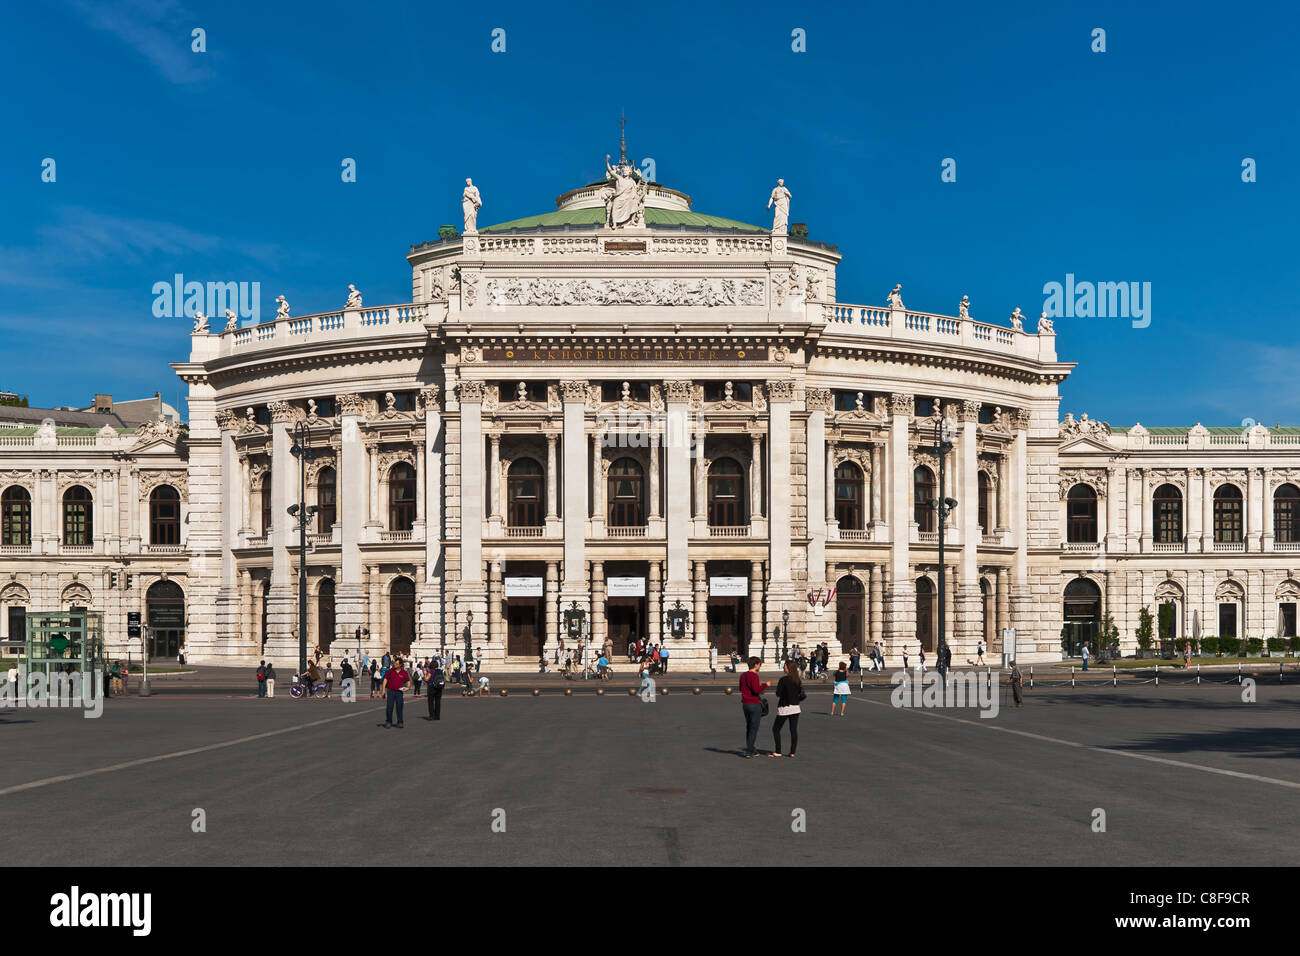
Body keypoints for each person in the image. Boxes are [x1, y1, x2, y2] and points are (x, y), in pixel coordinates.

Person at [771, 660, 805, 758]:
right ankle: (792, 752)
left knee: (776, 729)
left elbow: (778, 694)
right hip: (796, 707)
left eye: (784, 666)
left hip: (785, 707)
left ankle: (778, 751)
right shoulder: (797, 680)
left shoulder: (783, 680)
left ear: (788, 668)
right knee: (793, 730)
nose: (783, 667)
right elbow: (799, 693)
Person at [739, 657, 769, 758]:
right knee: (753, 728)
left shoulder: (743, 675)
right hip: (754, 704)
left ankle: (751, 748)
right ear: (756, 665)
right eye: (759, 664)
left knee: (749, 727)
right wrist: (765, 685)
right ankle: (749, 751)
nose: (760, 666)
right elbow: (757, 690)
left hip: (745, 704)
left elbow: (741, 688)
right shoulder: (754, 676)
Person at [381, 657, 409, 728]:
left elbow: (408, 681)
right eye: (394, 663)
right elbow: (385, 680)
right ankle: (388, 721)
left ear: (400, 664)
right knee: (389, 707)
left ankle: (400, 722)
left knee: (399, 707)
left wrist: (407, 688)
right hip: (390, 691)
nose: (395, 665)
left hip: (399, 692)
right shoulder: (390, 671)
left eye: (396, 664)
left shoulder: (404, 672)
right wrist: (383, 690)